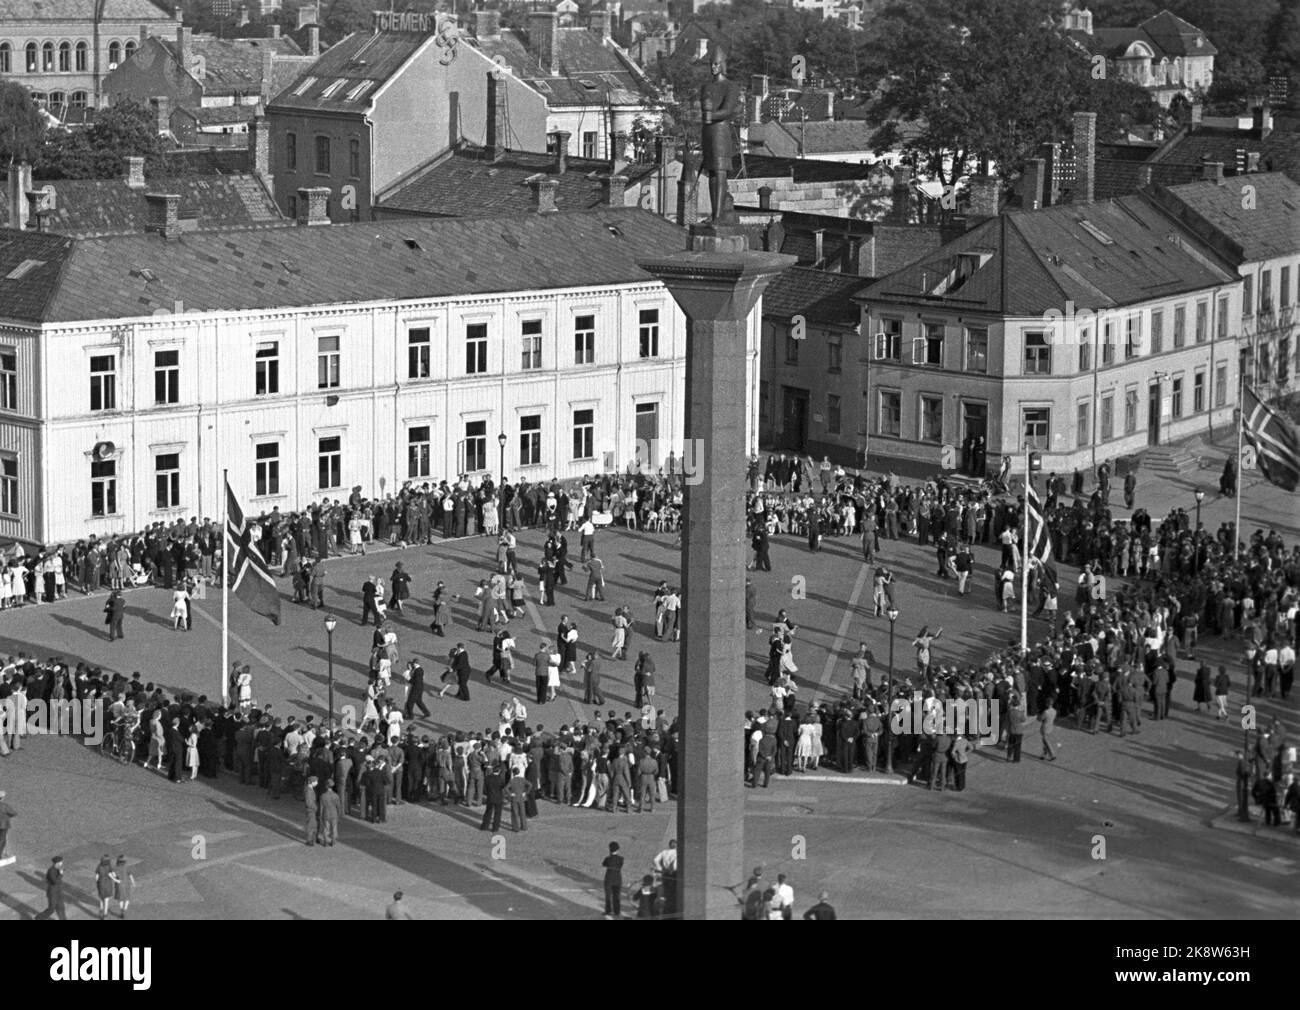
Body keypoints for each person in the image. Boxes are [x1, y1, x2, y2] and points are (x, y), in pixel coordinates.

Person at [37, 855, 67, 920]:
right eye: (61, 862)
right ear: (57, 863)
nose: (62, 864)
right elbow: (55, 882)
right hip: (52, 893)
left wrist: (60, 872)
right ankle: (39, 918)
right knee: (51, 909)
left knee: (61, 908)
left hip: (58, 892)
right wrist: (60, 874)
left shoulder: (58, 869)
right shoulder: (51, 871)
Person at [602, 841, 625, 918]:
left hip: (608, 879)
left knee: (608, 896)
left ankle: (608, 911)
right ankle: (617, 911)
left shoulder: (607, 859)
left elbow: (604, 864)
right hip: (617, 879)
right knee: (616, 896)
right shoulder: (621, 859)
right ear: (617, 850)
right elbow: (620, 865)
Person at [95, 854, 116, 919]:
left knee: (101, 897)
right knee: (106, 900)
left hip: (101, 884)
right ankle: (105, 913)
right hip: (108, 885)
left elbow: (96, 877)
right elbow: (114, 875)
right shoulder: (109, 866)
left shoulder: (99, 866)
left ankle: (101, 907)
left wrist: (97, 883)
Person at [1038, 695, 1057, 761]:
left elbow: (1040, 719)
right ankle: (1044, 754)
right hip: (1050, 727)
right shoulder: (1054, 711)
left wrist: (1038, 715)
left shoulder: (1046, 712)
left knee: (1046, 742)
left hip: (1045, 727)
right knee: (1045, 741)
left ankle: (1052, 754)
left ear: (1047, 704)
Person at [304, 775, 320, 845]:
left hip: (311, 809)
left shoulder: (310, 789)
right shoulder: (309, 791)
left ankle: (312, 838)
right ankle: (309, 840)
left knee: (312, 824)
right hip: (311, 810)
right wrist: (315, 807)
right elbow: (309, 802)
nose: (317, 783)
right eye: (316, 781)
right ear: (312, 782)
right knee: (310, 824)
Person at [0, 790, 15, 862]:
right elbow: (13, 813)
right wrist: (7, 816)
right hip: (3, 825)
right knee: (2, 840)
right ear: (2, 797)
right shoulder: (5, 806)